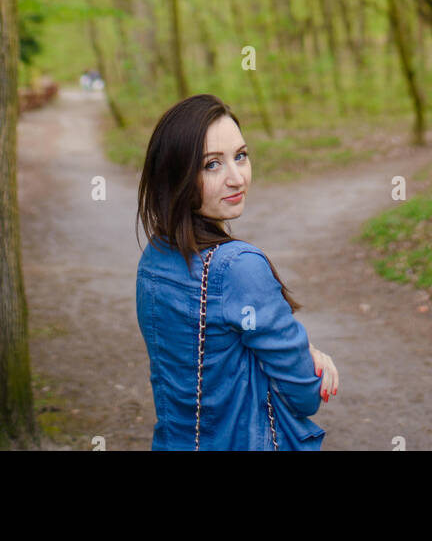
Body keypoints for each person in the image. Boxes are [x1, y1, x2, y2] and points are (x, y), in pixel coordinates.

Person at [135, 93, 338, 450]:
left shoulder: (153, 259)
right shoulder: (238, 267)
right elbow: (305, 396)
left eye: (240, 157)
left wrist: (298, 352)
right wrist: (307, 361)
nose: (236, 178)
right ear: (176, 174)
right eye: (211, 165)